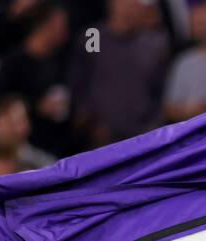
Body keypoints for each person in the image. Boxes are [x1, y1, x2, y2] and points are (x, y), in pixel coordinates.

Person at [69, 0, 170, 148]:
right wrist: (91, 123)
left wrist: (154, 126)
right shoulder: (94, 36)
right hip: (101, 134)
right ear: (112, 4)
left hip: (144, 133)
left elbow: (162, 89)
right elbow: (81, 80)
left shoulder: (154, 42)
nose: (131, 6)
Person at [0, 1, 74, 157]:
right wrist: (37, 106)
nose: (65, 32)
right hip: (20, 147)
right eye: (60, 26)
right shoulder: (13, 62)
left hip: (57, 147)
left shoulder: (60, 63)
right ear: (43, 26)